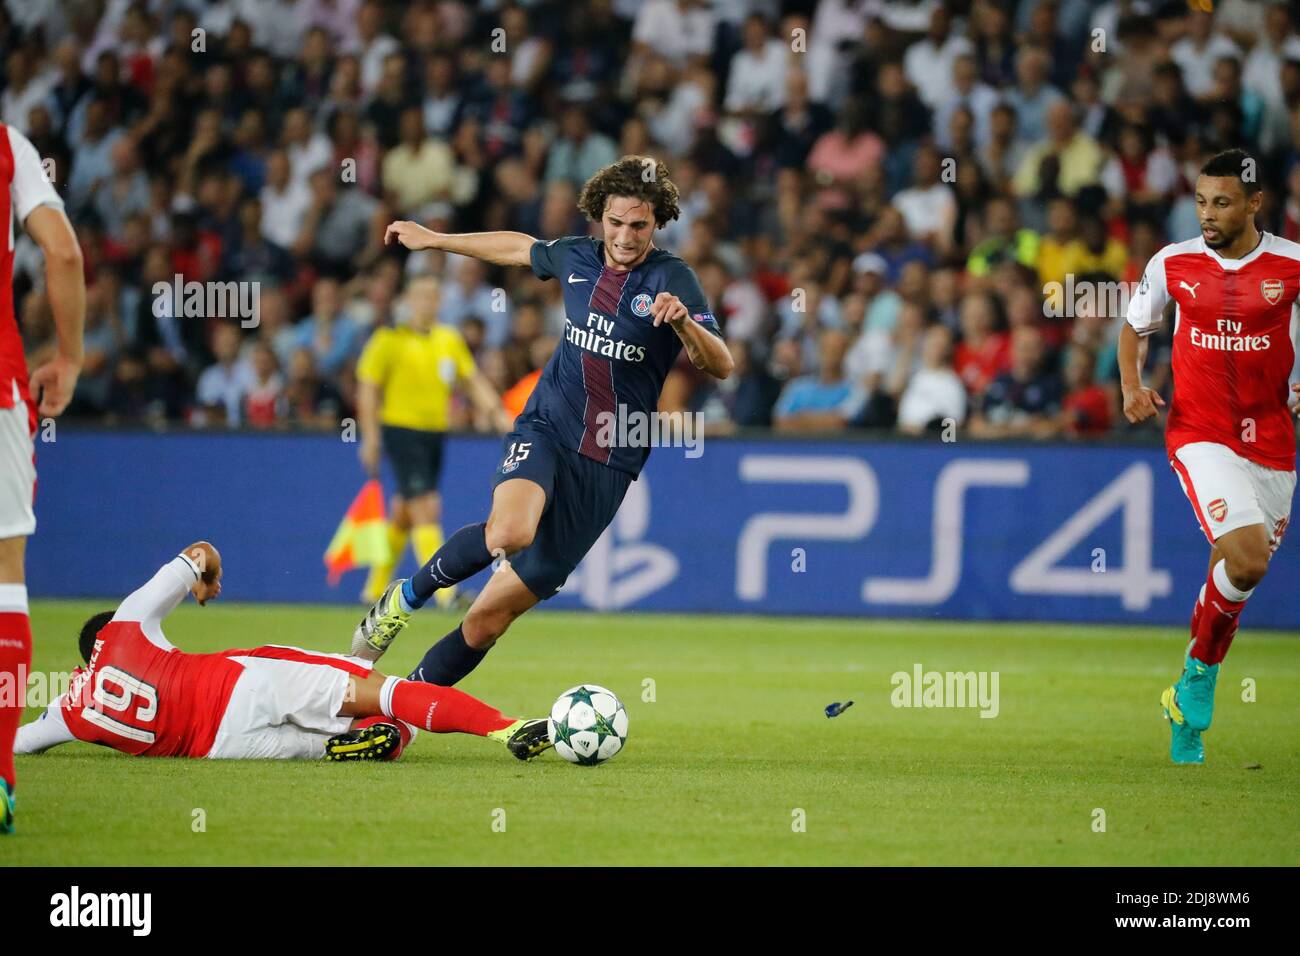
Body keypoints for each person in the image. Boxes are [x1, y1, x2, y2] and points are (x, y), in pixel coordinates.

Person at [355, 155, 733, 688]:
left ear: (657, 223)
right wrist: (434, 238)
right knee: (508, 531)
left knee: (487, 621)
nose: (625, 236)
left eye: (638, 225)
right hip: (547, 427)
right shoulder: (575, 257)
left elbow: (720, 363)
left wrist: (685, 326)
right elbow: (516, 247)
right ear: (599, 217)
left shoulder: (673, 279)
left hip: (609, 459)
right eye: (616, 222)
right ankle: (405, 597)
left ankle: (404, 706)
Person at [14, 542, 551, 769]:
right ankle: (503, 727)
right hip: (240, 685)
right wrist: (206, 582)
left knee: (375, 740)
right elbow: (201, 552)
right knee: (383, 694)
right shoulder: (128, 621)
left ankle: (343, 742)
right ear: (108, 628)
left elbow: (18, 744)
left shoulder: (68, 710)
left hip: (222, 749)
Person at [1121, 149, 1300, 765]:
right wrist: (1131, 386)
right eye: (1200, 201)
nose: (1207, 214)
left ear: (1254, 204)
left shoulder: (1291, 266)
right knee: (1246, 556)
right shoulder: (1174, 263)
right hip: (1199, 433)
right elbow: (1133, 327)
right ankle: (1199, 684)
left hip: (1273, 443)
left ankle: (1189, 684)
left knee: (1242, 574)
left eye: (1221, 202)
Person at [1, 121, 86, 835]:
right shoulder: (8, 147)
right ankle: (1, 773)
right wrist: (71, 354)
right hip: (1, 389)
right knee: (6, 575)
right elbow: (61, 249)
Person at [356, 275, 511, 606]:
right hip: (401, 431)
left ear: (440, 302)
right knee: (426, 506)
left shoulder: (447, 339)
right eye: (421, 296)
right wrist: (369, 438)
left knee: (404, 511)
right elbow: (368, 389)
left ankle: (373, 588)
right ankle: (446, 594)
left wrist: (497, 413)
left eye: (433, 296)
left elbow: (471, 380)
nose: (427, 302)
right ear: (408, 301)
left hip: (433, 434)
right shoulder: (388, 340)